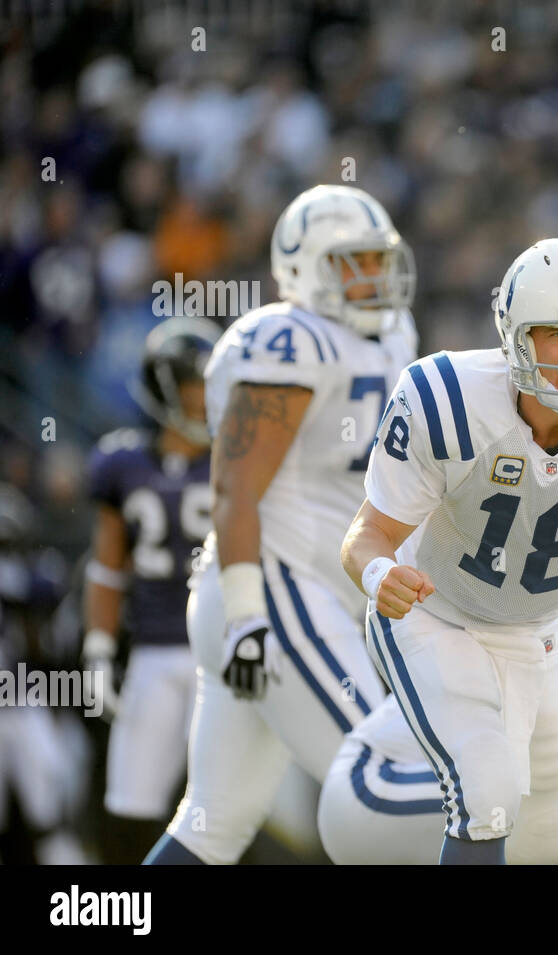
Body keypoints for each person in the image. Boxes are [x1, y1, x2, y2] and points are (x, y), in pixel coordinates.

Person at [339, 237, 558, 864]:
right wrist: (378, 575)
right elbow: (367, 535)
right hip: (436, 616)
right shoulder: (445, 399)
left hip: (538, 631)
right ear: (515, 338)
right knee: (487, 792)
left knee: (549, 833)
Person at [146, 184, 418, 864]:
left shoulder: (392, 335)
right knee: (390, 784)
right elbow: (235, 486)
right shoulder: (284, 337)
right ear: (303, 270)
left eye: (376, 260)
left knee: (210, 825)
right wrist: (245, 617)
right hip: (271, 594)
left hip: (305, 597)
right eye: (349, 262)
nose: (369, 277)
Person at [316, 534, 558, 864]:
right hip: (378, 785)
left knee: (549, 827)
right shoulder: (533, 619)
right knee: (555, 836)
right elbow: (499, 753)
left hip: (470, 797)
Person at [83, 316, 219, 863]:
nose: (207, 401)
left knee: (227, 803)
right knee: (132, 805)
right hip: (153, 652)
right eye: (195, 389)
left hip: (220, 650)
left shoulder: (237, 457)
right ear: (166, 390)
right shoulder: (123, 463)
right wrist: (98, 648)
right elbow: (108, 566)